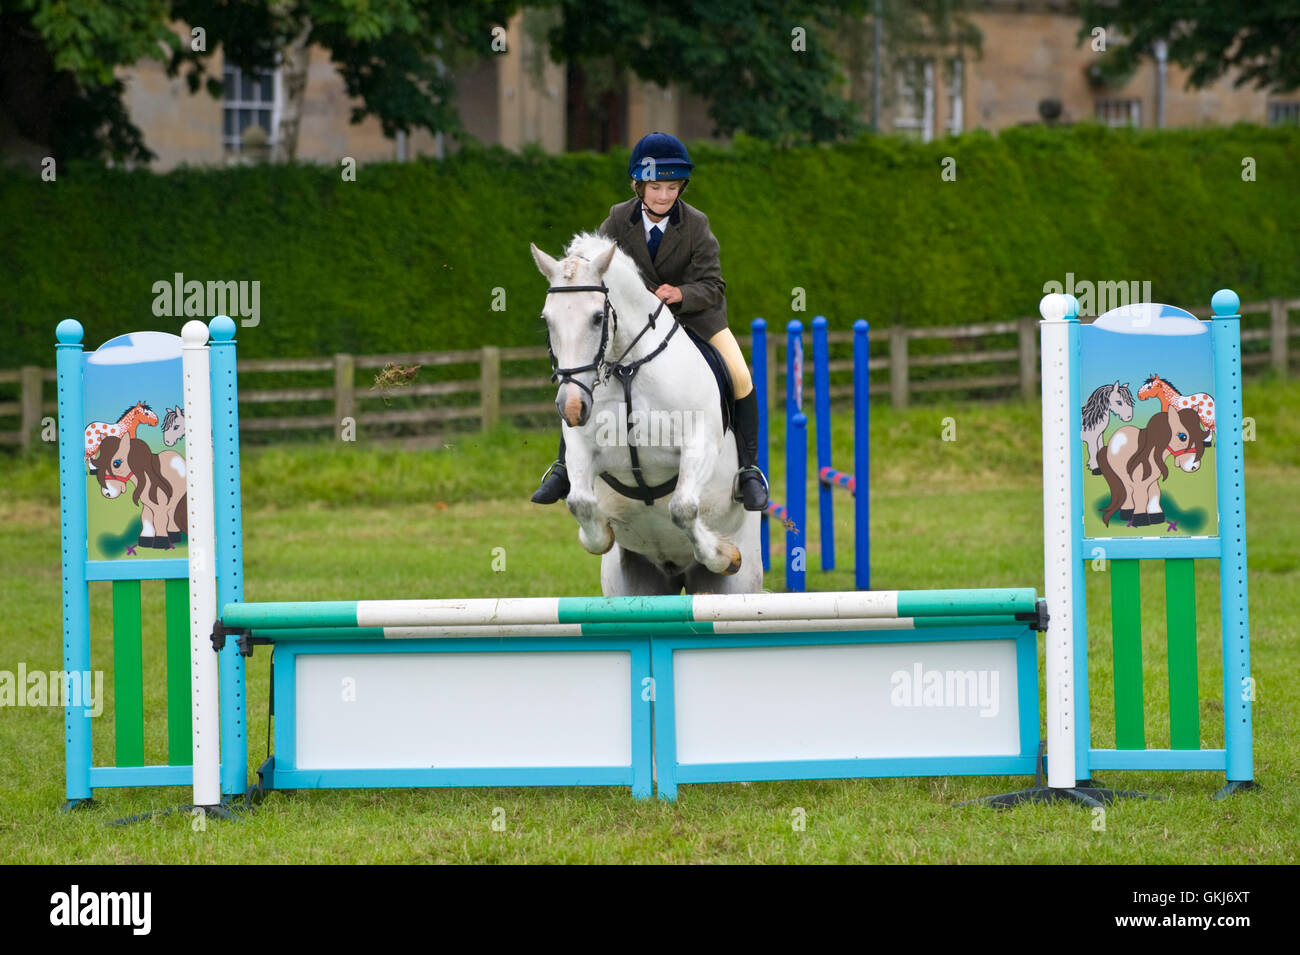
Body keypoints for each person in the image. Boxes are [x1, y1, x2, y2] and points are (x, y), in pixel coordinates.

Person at [532, 131, 770, 511]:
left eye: (672, 187)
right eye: (655, 187)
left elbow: (714, 285)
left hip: (695, 318)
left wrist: (681, 294)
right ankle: (563, 466)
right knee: (581, 375)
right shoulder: (616, 219)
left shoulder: (696, 224)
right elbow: (595, 274)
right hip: (635, 328)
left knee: (740, 374)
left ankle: (749, 470)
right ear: (639, 186)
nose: (663, 196)